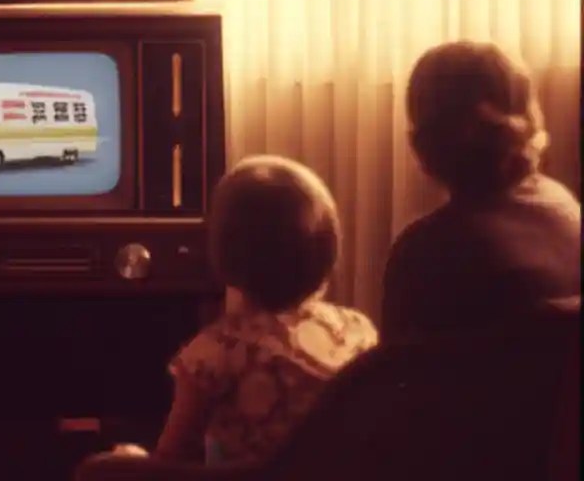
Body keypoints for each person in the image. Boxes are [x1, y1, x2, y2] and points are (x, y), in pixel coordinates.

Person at [119, 156, 378, 465]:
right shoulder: (357, 333)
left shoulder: (214, 353)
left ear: (223, 257)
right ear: (329, 251)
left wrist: (128, 460)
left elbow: (172, 461)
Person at [382, 41, 581, 343]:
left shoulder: (423, 251)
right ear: (529, 118)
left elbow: (392, 378)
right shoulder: (566, 207)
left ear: (422, 143)